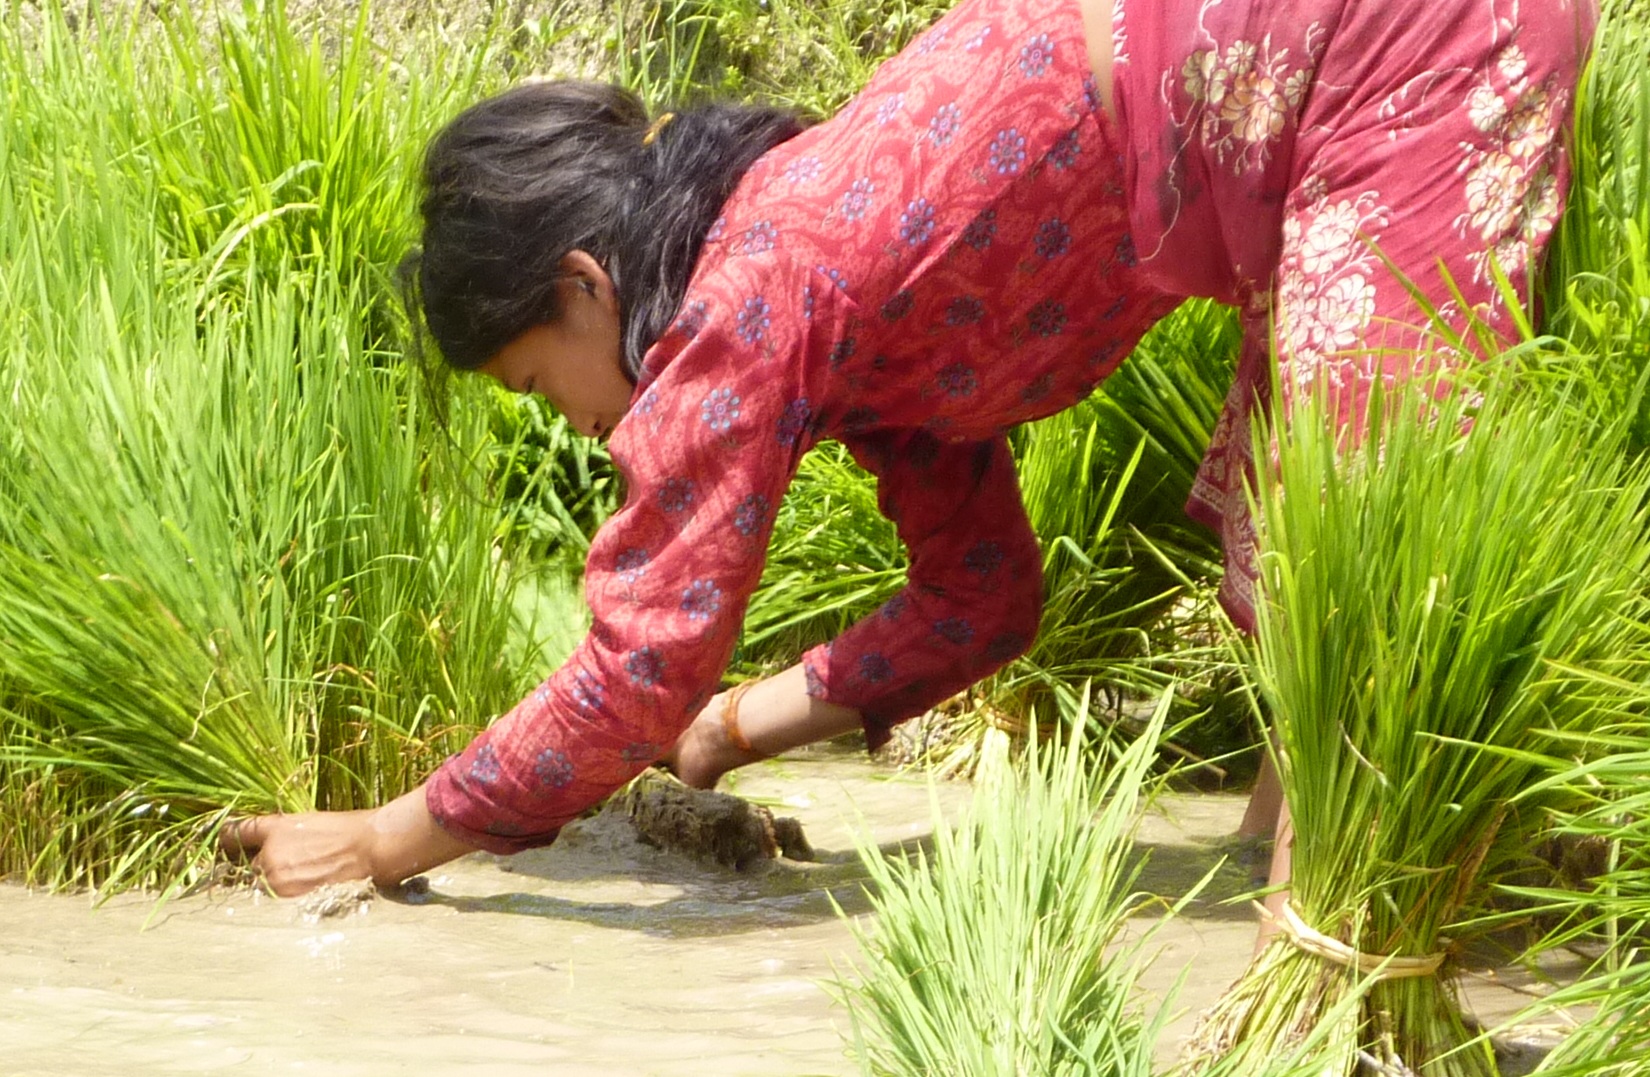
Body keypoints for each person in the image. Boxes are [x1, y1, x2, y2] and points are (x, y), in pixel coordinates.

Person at [226, 0, 1595, 923]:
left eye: (536, 381)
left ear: (584, 287)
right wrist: (730, 728)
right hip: (1296, 98)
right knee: (1302, 542)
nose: (570, 422)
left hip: (1386, 36)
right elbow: (982, 599)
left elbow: (641, 657)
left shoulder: (761, 283)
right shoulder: (842, 321)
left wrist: (380, 838)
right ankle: (1289, 872)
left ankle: (1336, 976)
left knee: (1361, 569)